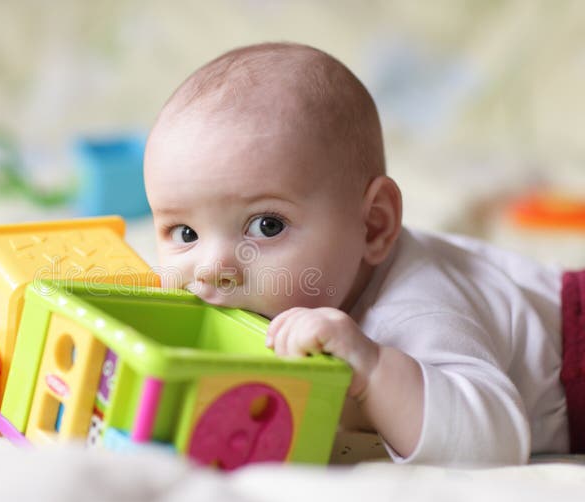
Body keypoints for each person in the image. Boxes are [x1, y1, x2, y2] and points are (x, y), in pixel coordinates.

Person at [143, 42, 579, 465]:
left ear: (373, 225)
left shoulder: (415, 310)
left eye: (266, 226)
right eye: (184, 232)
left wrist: (372, 372)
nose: (211, 268)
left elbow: (493, 443)